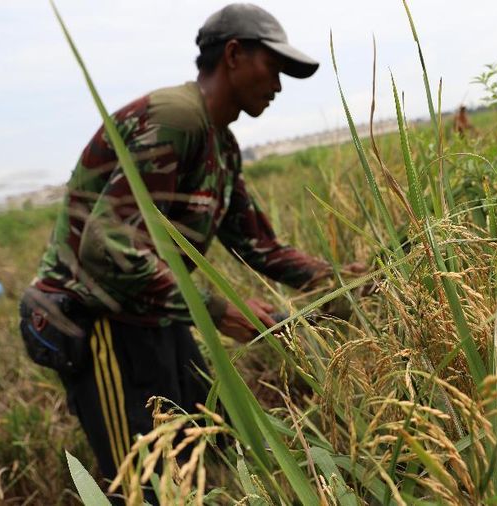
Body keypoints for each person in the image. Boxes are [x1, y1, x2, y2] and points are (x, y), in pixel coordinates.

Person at [18, 3, 362, 491]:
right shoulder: (175, 119)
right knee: (147, 483)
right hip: (99, 322)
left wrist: (342, 280)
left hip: (156, 311)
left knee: (210, 443)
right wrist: (218, 310)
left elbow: (258, 245)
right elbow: (106, 246)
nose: (280, 86)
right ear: (235, 54)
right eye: (274, 67)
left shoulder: (222, 146)